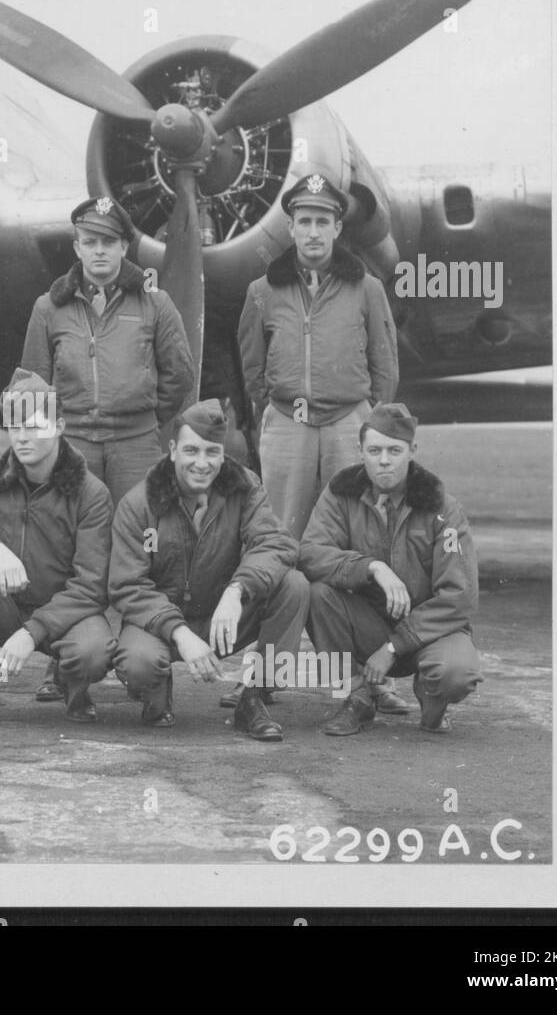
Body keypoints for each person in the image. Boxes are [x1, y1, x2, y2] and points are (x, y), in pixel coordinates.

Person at [237, 171, 405, 713]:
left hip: (347, 426)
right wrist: (273, 411)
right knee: (277, 547)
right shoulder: (262, 291)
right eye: (304, 221)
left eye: (323, 222)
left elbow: (385, 363)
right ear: (290, 227)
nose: (312, 232)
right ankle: (261, 676)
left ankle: (374, 677)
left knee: (361, 545)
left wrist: (364, 420)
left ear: (337, 228)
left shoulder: (367, 288)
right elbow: (251, 367)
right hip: (287, 425)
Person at [20, 193, 195, 701]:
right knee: (69, 549)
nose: (99, 252)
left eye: (110, 242)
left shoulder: (155, 303)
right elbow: (32, 380)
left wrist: (141, 417)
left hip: (135, 443)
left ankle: (145, 659)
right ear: (76, 246)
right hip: (71, 442)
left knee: (144, 548)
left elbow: (179, 374)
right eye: (89, 242)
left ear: (125, 246)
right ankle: (65, 658)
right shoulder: (48, 307)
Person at [108, 400, 309, 738]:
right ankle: (156, 685)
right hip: (161, 623)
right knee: (139, 665)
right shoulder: (139, 503)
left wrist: (238, 590)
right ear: (172, 451)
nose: (202, 464)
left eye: (212, 452)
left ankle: (255, 695)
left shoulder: (244, 487)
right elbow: (128, 584)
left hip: (222, 618)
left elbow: (277, 544)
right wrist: (179, 633)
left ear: (222, 454)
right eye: (191, 451)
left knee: (294, 585)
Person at [0, 371, 114, 728]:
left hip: (65, 614)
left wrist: (34, 632)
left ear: (59, 426)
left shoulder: (91, 493)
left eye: (33, 426)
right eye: (14, 426)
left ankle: (72, 684)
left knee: (93, 651)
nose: (22, 436)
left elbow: (92, 585)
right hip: (6, 606)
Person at [300, 403, 483, 735]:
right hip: (369, 624)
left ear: (412, 451)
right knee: (316, 593)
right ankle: (356, 698)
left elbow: (460, 596)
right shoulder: (341, 494)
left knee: (456, 673)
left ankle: (431, 696)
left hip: (429, 634)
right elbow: (311, 552)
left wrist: (394, 647)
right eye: (374, 450)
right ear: (360, 452)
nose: (384, 460)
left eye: (394, 450)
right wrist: (371, 567)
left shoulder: (442, 508)